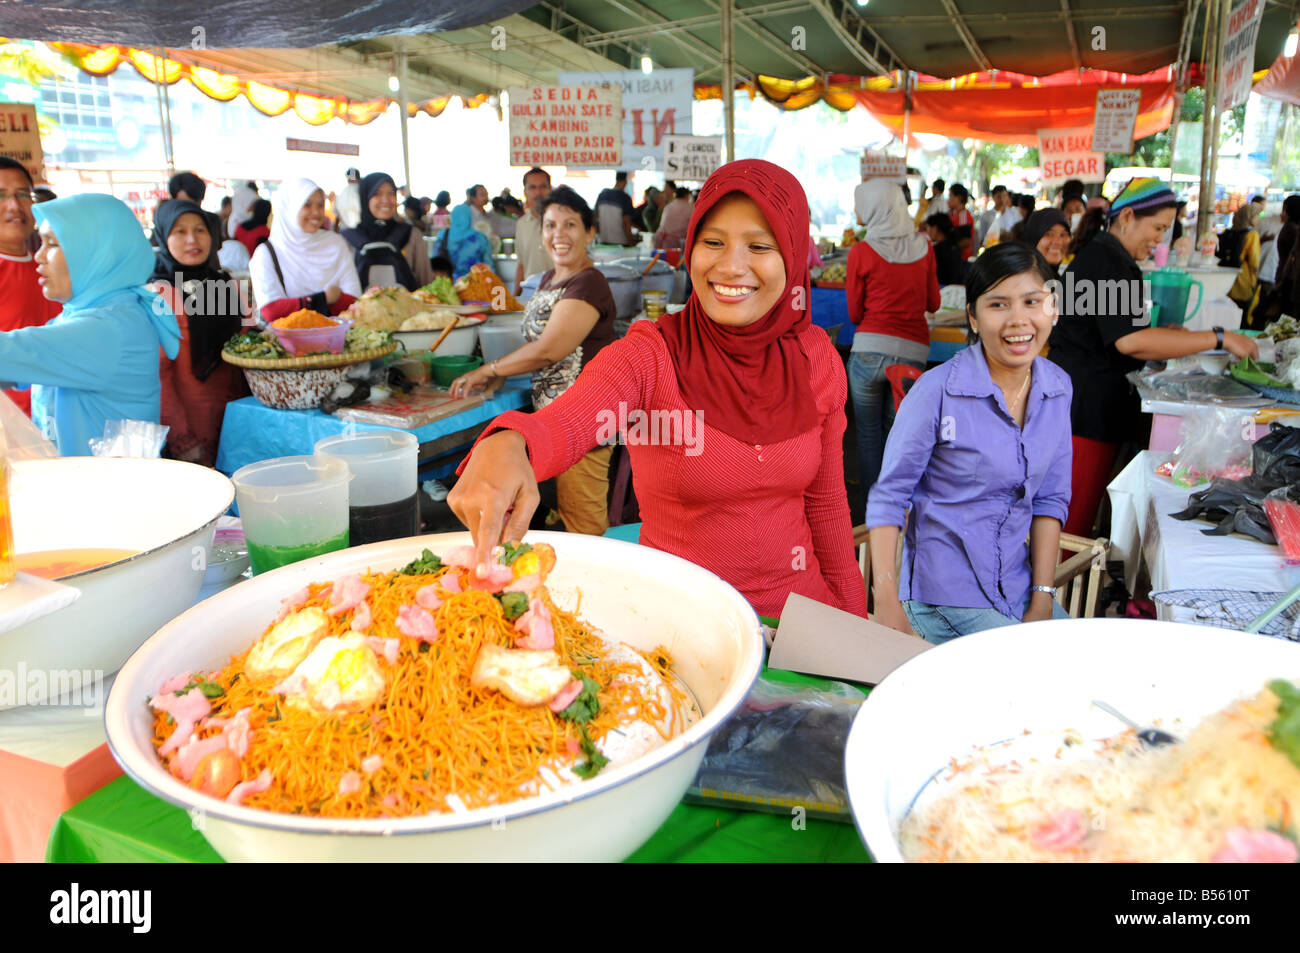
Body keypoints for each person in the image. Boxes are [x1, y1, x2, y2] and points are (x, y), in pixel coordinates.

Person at [447, 160, 868, 620]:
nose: (731, 266)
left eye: (759, 246)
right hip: (683, 625)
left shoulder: (816, 357)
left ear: (791, 253)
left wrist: (851, 623)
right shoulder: (651, 355)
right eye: (713, 242)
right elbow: (568, 421)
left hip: (800, 624)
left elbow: (826, 506)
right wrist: (512, 442)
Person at [867, 243, 1073, 642]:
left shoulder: (1057, 388)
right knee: (1045, 685)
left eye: (1032, 301)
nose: (1019, 320)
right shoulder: (937, 392)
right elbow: (889, 496)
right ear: (974, 319)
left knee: (1086, 670)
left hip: (1017, 585)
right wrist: (887, 603)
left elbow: (1050, 499)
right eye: (998, 305)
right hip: (942, 597)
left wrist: (1043, 596)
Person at [1047, 178, 1259, 536]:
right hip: (1083, 413)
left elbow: (1122, 332)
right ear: (1127, 216)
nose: (1160, 239)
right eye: (1158, 227)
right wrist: (1220, 338)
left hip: (1088, 408)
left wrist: (1177, 338)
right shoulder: (1107, 260)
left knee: (1075, 520)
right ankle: (1057, 590)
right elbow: (1130, 342)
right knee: (1070, 525)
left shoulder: (1110, 257)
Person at [447, 185, 617, 536]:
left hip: (584, 424)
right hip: (554, 422)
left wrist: (490, 368)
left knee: (584, 527)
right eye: (551, 225)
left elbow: (549, 349)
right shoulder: (552, 279)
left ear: (589, 232)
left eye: (570, 225)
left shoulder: (589, 284)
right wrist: (504, 376)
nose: (559, 234)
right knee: (559, 516)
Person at [0, 194, 181, 456]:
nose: (38, 256)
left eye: (51, 244)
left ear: (96, 253)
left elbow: (10, 353)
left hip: (104, 492)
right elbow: (17, 367)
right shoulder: (89, 313)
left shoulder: (109, 328)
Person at [847, 179, 941, 514]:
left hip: (868, 352)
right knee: (895, 438)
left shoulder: (860, 252)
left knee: (868, 438)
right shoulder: (925, 248)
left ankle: (871, 520)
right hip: (913, 356)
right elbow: (934, 302)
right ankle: (896, 514)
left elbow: (855, 313)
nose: (857, 210)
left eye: (860, 204)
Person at [149, 199, 249, 467]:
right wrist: (181, 438)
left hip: (237, 415)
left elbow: (248, 340)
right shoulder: (157, 293)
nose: (192, 239)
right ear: (163, 236)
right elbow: (159, 376)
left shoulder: (224, 284)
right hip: (191, 424)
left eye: (200, 230)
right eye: (180, 231)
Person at [250, 177, 361, 322]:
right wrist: (325, 298)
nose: (316, 212)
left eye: (320, 205)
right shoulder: (265, 254)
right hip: (287, 342)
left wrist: (298, 304)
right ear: (289, 207)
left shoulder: (335, 243)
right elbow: (271, 310)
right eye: (306, 205)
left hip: (337, 338)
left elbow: (354, 302)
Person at [0, 156, 62, 416]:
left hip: (61, 424)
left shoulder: (58, 266)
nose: (14, 205)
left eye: (23, 195)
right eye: (1, 195)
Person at [341, 172, 434, 291]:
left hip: (407, 309)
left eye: (391, 193)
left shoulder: (412, 235)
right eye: (377, 193)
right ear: (365, 197)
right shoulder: (347, 239)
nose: (385, 200)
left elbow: (426, 282)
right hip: (357, 310)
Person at [513, 167, 553, 295]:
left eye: (543, 187)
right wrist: (515, 296)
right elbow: (521, 264)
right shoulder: (521, 224)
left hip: (559, 293)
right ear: (525, 192)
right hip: (530, 294)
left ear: (550, 190)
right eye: (532, 187)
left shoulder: (562, 221)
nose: (538, 192)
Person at [438, 204, 493, 280]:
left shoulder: (442, 235)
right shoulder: (481, 238)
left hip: (447, 285)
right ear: (469, 217)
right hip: (475, 284)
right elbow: (489, 266)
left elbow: (434, 261)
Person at [1227, 203, 1263, 319]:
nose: (1258, 219)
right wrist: (1254, 281)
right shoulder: (1252, 235)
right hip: (1244, 280)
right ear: (1249, 217)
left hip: (1228, 281)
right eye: (1256, 216)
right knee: (1242, 317)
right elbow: (1254, 262)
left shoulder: (1229, 233)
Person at [1021, 208, 1071, 278]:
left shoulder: (1060, 280)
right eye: (1049, 234)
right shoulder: (1023, 281)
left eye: (1063, 234)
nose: (1058, 242)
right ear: (1034, 238)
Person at [596, 171, 638, 245]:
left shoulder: (602, 195)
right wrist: (631, 242)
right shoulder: (625, 198)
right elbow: (626, 222)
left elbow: (596, 218)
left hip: (603, 241)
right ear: (625, 181)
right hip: (620, 244)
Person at [924, 213, 966, 285]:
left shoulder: (935, 250)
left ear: (935, 229)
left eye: (928, 228)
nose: (927, 232)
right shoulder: (955, 246)